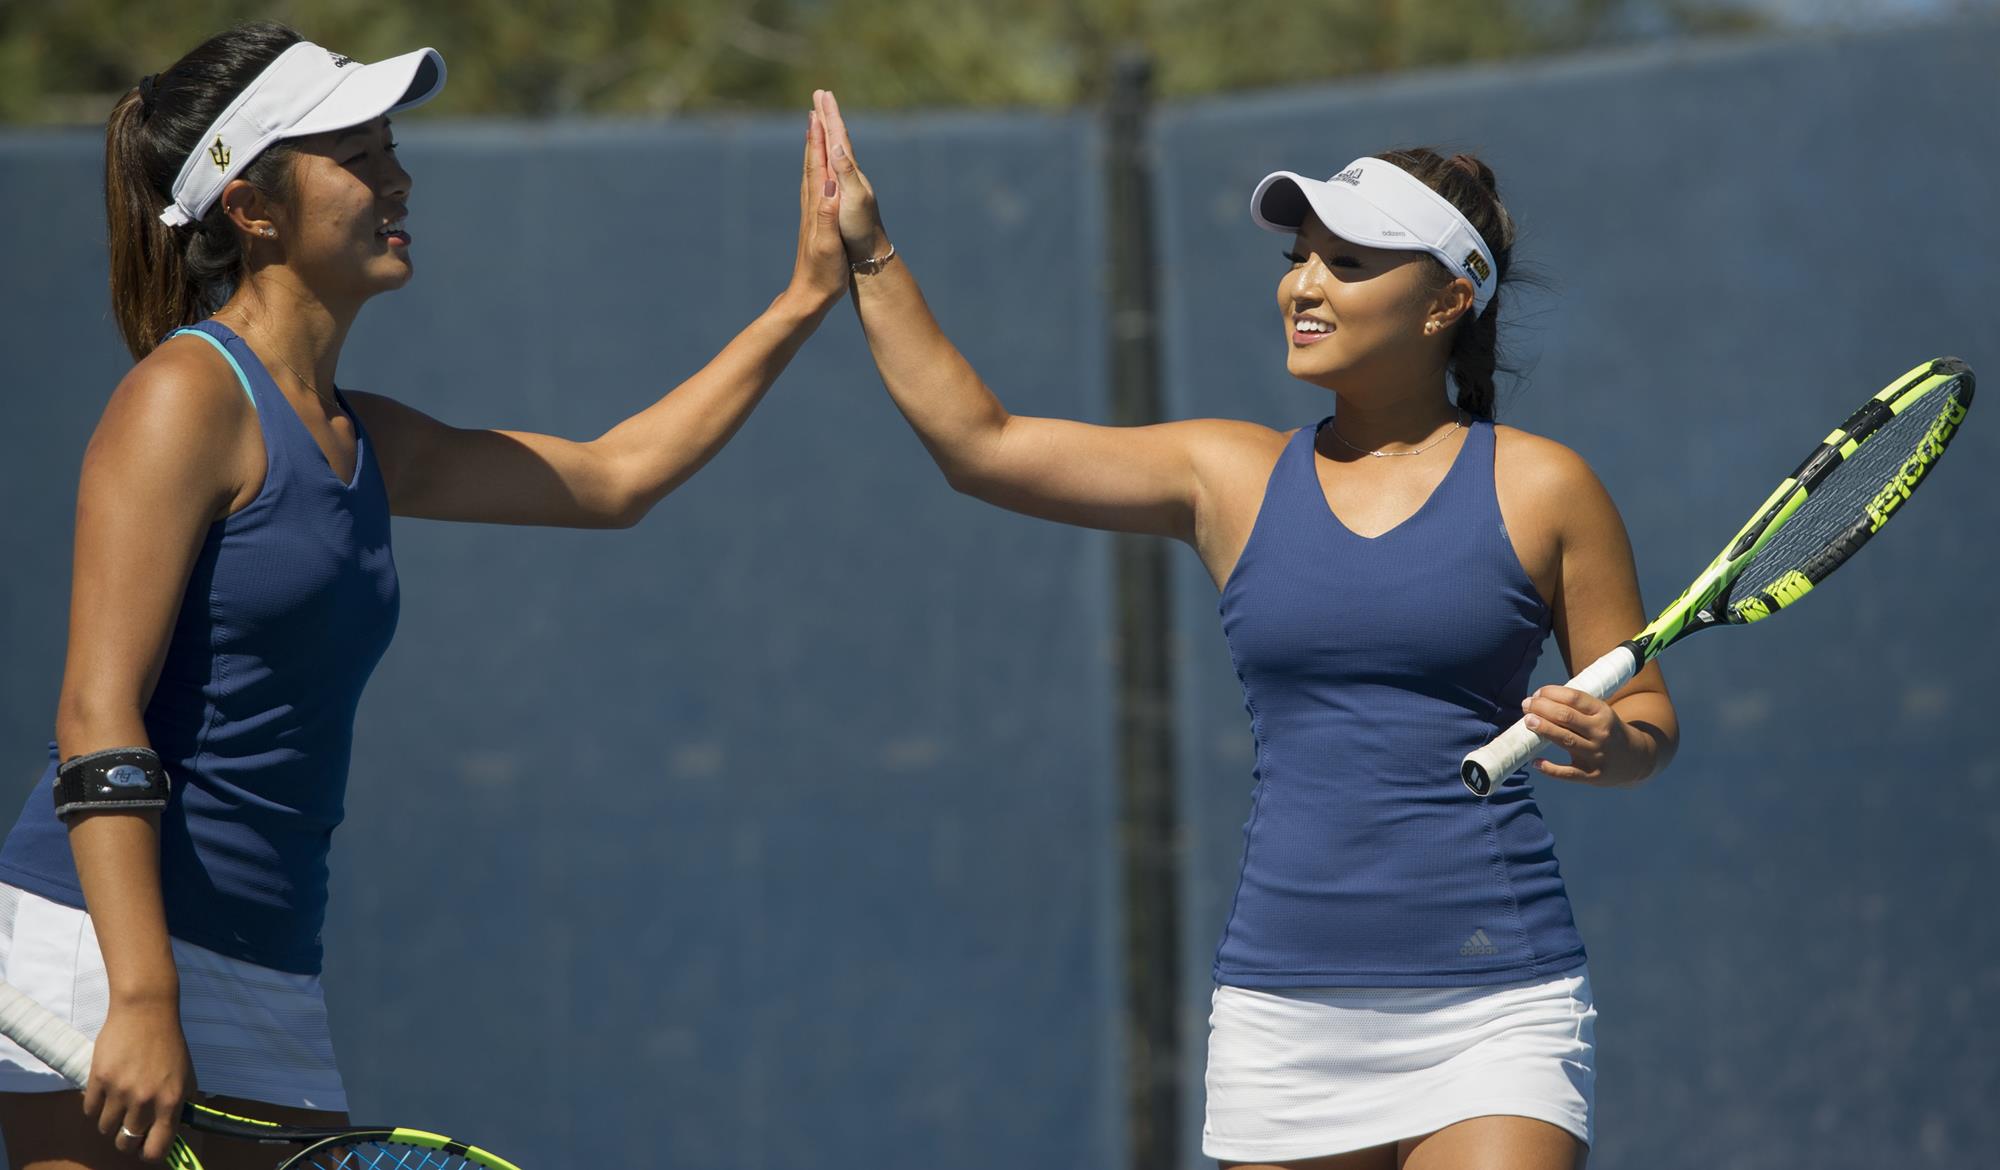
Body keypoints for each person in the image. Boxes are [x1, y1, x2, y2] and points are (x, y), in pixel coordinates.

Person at [0, 23, 850, 1168]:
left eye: (388, 146)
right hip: (105, 952)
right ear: (252, 209)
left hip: (263, 962)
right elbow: (95, 713)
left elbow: (611, 479)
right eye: (355, 154)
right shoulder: (181, 401)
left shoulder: (363, 437)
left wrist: (804, 296)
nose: (396, 176)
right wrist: (144, 999)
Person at [811, 88, 1678, 1170]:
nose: (1303, 285)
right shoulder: (1225, 474)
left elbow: (1642, 710)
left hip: (1497, 1001)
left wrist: (1613, 744)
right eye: (1298, 258)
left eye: (1348, 264)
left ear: (1446, 301)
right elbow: (977, 444)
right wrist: (872, 248)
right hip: (1284, 1013)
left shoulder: (1546, 487)